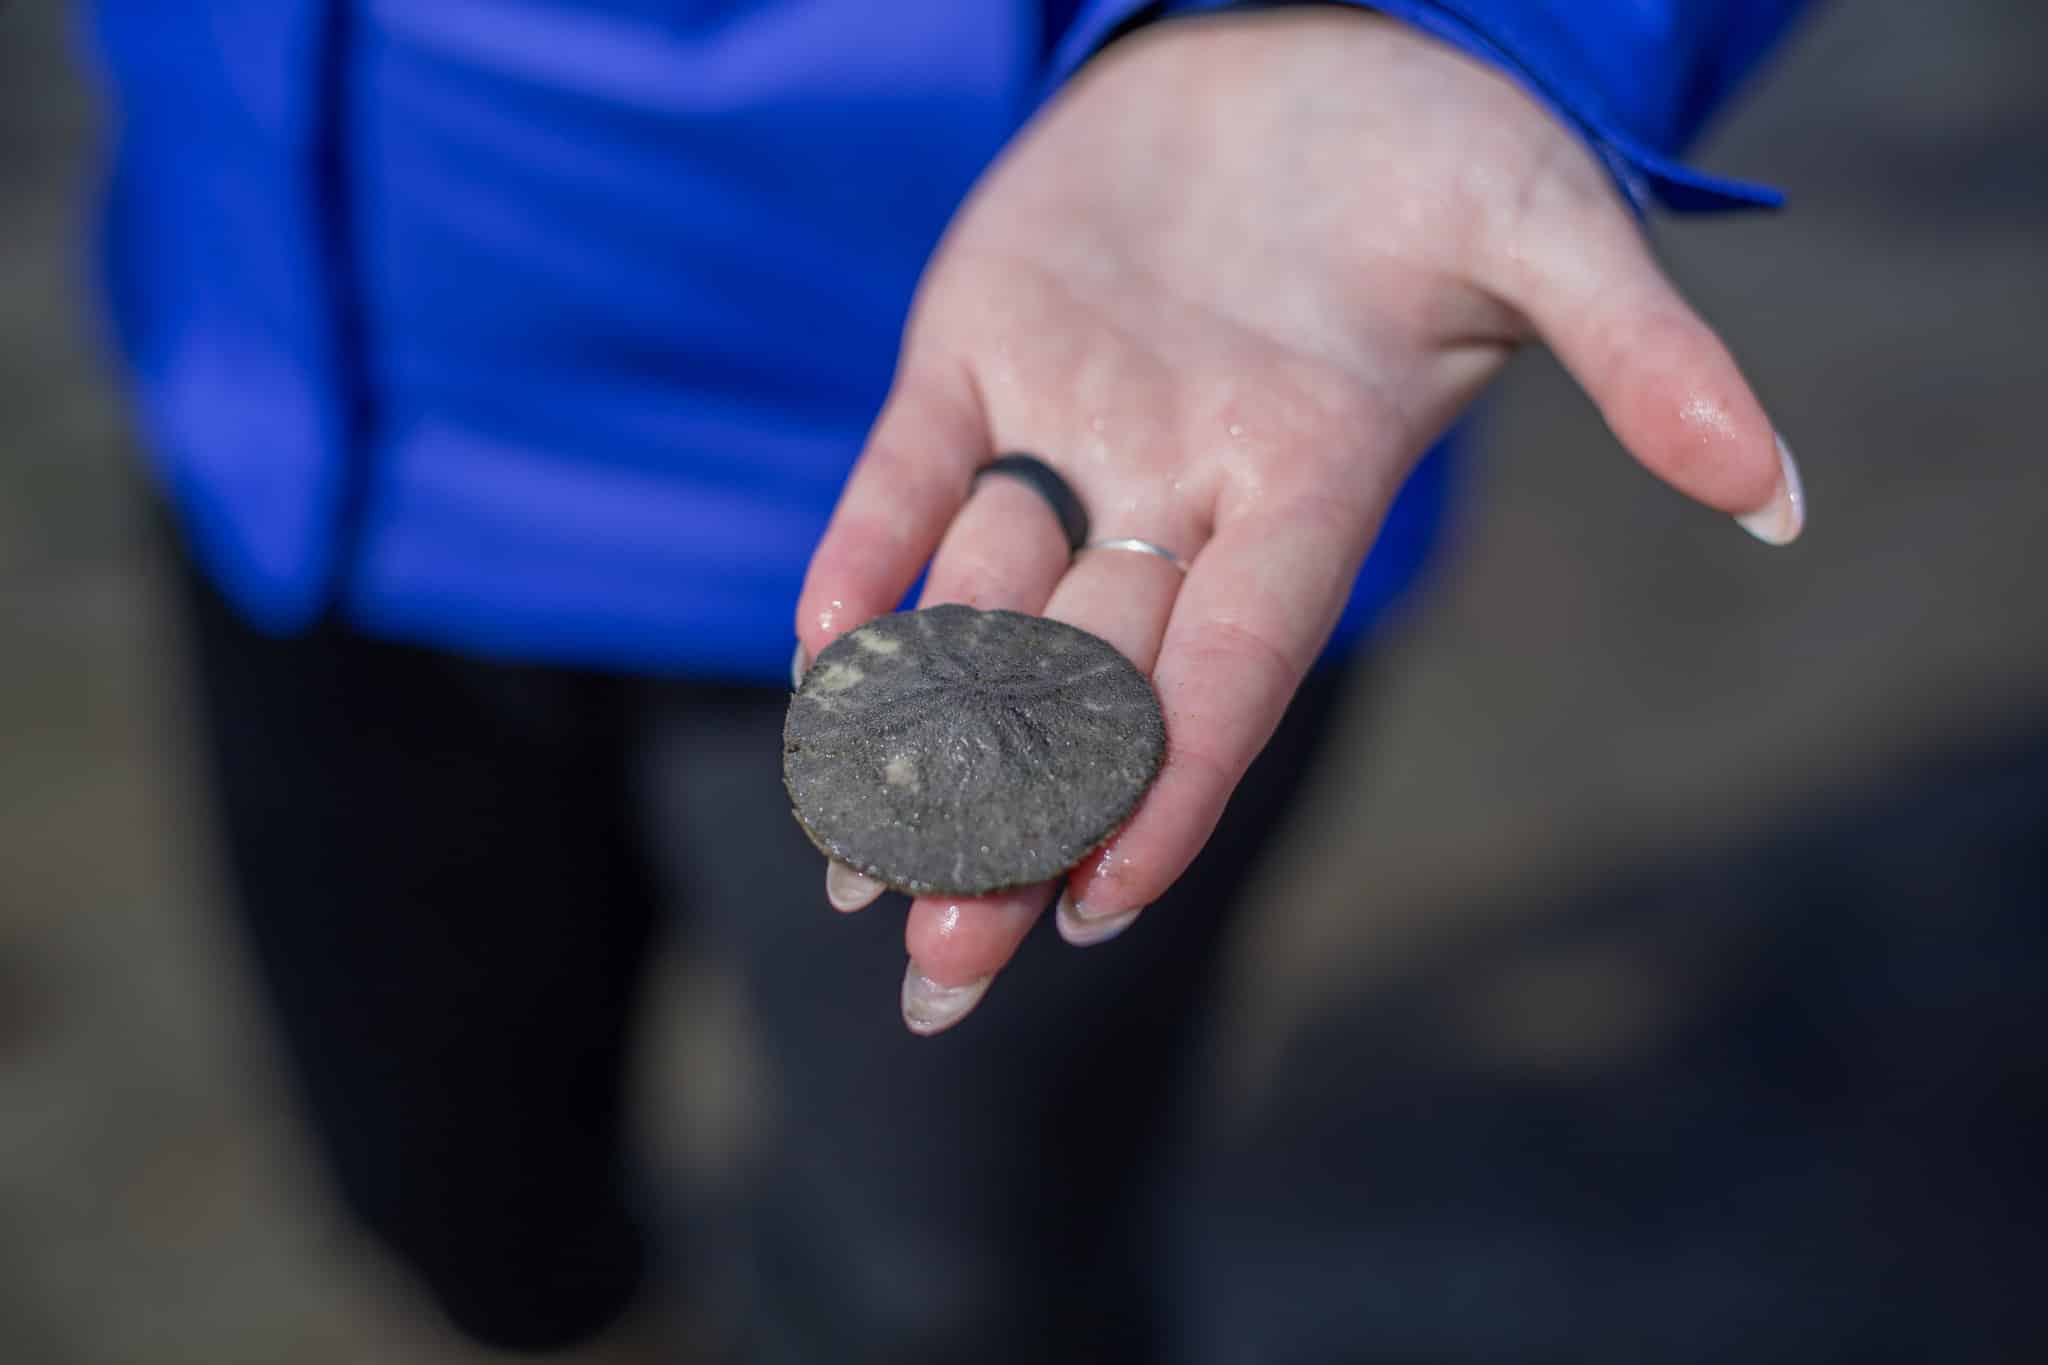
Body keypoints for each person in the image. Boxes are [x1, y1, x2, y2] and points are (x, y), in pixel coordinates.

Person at [82, 0, 1811, 1358]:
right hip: (297, 399)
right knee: (461, 1226)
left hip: (1098, 392)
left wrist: (1427, 14)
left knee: (952, 1289)